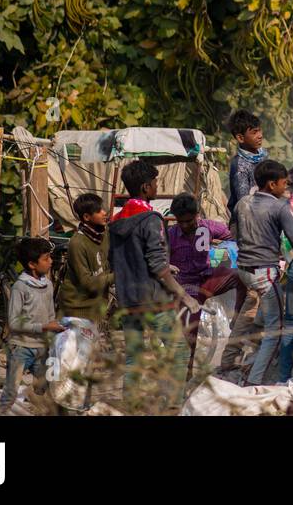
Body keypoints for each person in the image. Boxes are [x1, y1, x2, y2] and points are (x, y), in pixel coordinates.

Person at [108, 159, 199, 411]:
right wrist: (184, 296)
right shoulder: (151, 219)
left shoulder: (116, 221)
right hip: (154, 301)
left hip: (127, 299)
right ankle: (173, 406)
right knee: (178, 352)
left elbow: (119, 259)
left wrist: (161, 266)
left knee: (133, 356)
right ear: (147, 187)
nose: (158, 185)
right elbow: (157, 266)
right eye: (156, 182)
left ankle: (130, 406)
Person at [234, 159, 293, 385]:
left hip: (243, 269)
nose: (286, 187)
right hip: (264, 272)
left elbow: (236, 230)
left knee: (265, 313)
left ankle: (245, 360)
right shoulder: (279, 207)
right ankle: (254, 380)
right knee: (276, 328)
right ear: (272, 184)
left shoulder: (242, 203)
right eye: (284, 183)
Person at [1, 237, 63, 412]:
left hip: (41, 347)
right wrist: (43, 327)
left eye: (50, 257)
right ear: (32, 264)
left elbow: (51, 315)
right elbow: (13, 323)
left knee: (45, 390)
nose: (51, 262)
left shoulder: (48, 285)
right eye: (46, 259)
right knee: (11, 392)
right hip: (20, 348)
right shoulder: (20, 287)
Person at [57, 193, 113, 326]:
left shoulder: (104, 234)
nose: (104, 213)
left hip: (95, 306)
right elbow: (88, 283)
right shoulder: (77, 243)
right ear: (86, 217)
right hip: (78, 310)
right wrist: (119, 275)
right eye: (99, 211)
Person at [227, 108, 266, 216]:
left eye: (259, 130)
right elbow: (244, 203)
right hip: (247, 219)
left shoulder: (263, 155)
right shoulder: (240, 165)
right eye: (254, 132)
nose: (260, 135)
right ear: (240, 138)